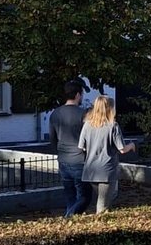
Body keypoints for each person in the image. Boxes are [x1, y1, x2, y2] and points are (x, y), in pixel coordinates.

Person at [78, 93, 136, 214]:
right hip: (107, 170)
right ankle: (101, 227)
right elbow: (122, 149)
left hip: (90, 170)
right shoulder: (113, 126)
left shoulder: (87, 125)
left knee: (102, 198)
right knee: (103, 204)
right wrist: (131, 146)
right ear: (109, 108)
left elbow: (81, 147)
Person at [48, 78, 90, 218]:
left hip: (63, 159)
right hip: (79, 159)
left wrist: (59, 152)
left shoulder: (55, 113)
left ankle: (71, 221)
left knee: (70, 195)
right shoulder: (83, 114)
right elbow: (88, 138)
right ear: (78, 95)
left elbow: (52, 139)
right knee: (84, 196)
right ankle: (68, 218)